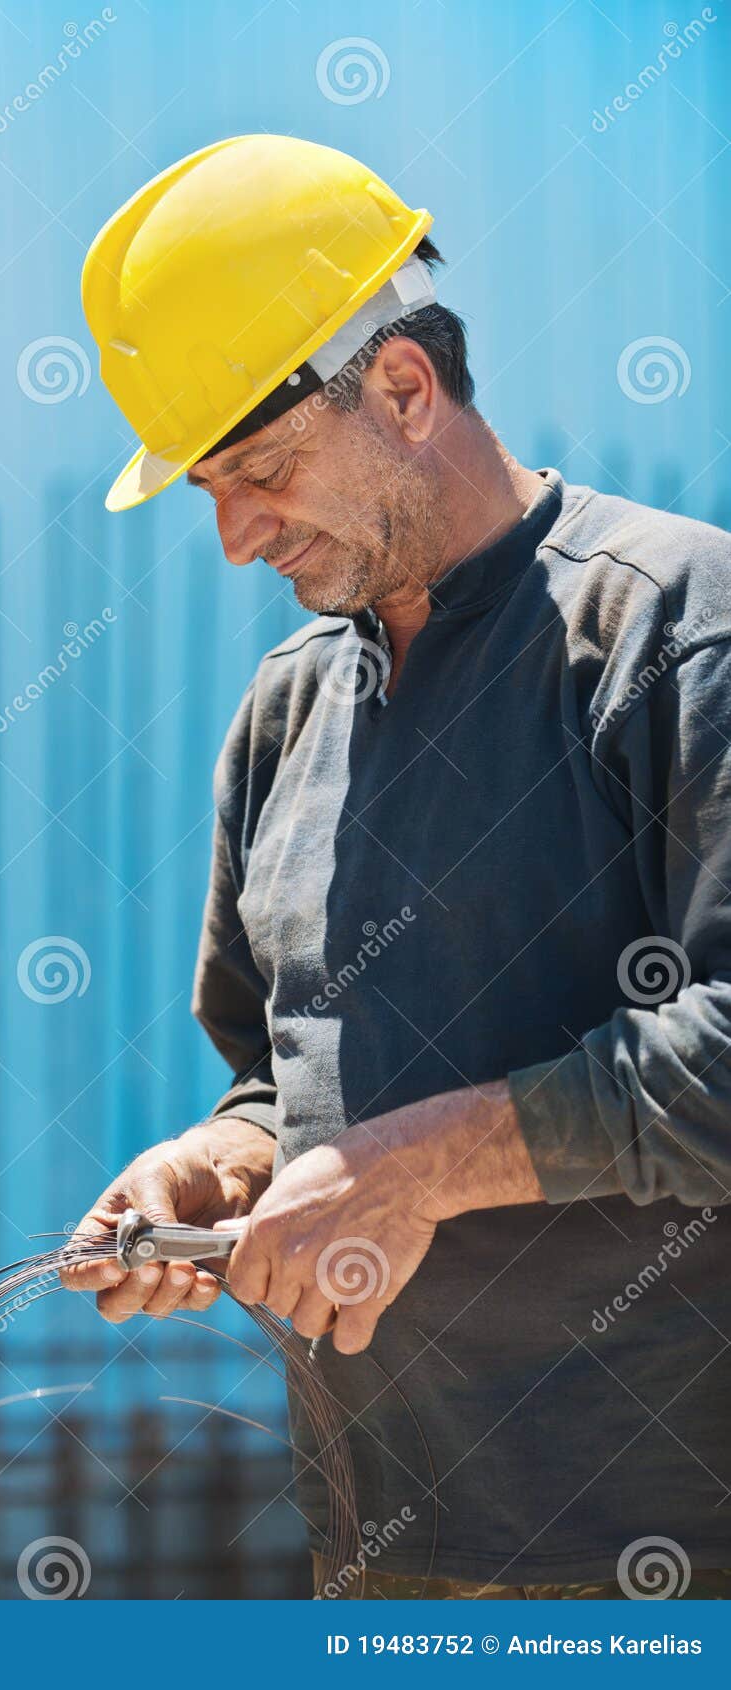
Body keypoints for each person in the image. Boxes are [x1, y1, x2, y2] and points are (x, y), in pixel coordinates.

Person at [63, 135, 731, 1599]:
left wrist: (420, 1167)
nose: (234, 535)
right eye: (205, 490)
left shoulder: (676, 630)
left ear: (404, 389)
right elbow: (289, 1078)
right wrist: (215, 1165)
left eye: (261, 472)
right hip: (380, 1562)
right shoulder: (287, 713)